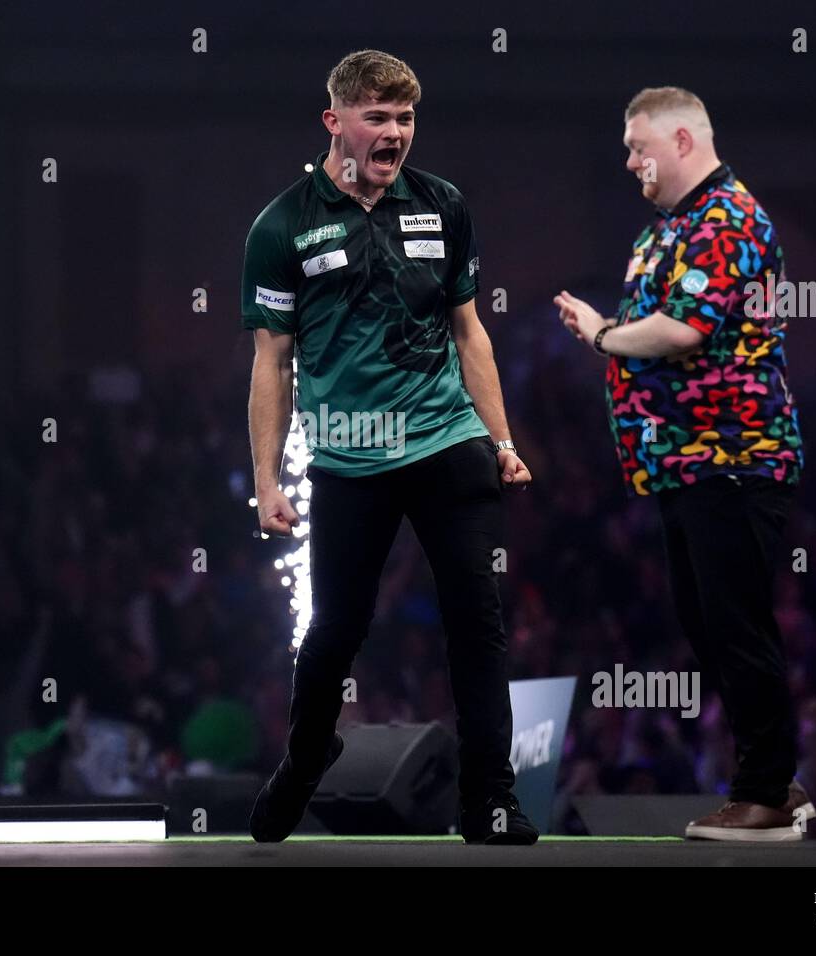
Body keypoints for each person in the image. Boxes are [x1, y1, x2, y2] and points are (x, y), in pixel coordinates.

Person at [242, 49, 536, 844]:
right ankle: (305, 762)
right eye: (377, 116)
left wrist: (502, 439)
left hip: (448, 442)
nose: (395, 132)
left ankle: (491, 800)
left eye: (405, 118)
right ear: (334, 122)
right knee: (335, 630)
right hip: (348, 457)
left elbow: (469, 331)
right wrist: (266, 480)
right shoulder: (281, 225)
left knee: (477, 621)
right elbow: (272, 361)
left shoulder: (443, 205)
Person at [556, 86, 812, 841]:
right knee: (709, 625)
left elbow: (683, 330)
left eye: (638, 147)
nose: (630, 161)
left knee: (735, 624)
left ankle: (764, 794)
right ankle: (777, 779)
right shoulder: (667, 230)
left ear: (681, 140)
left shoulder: (727, 219)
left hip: (734, 455)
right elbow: (663, 325)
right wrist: (610, 331)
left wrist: (602, 335)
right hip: (684, 464)